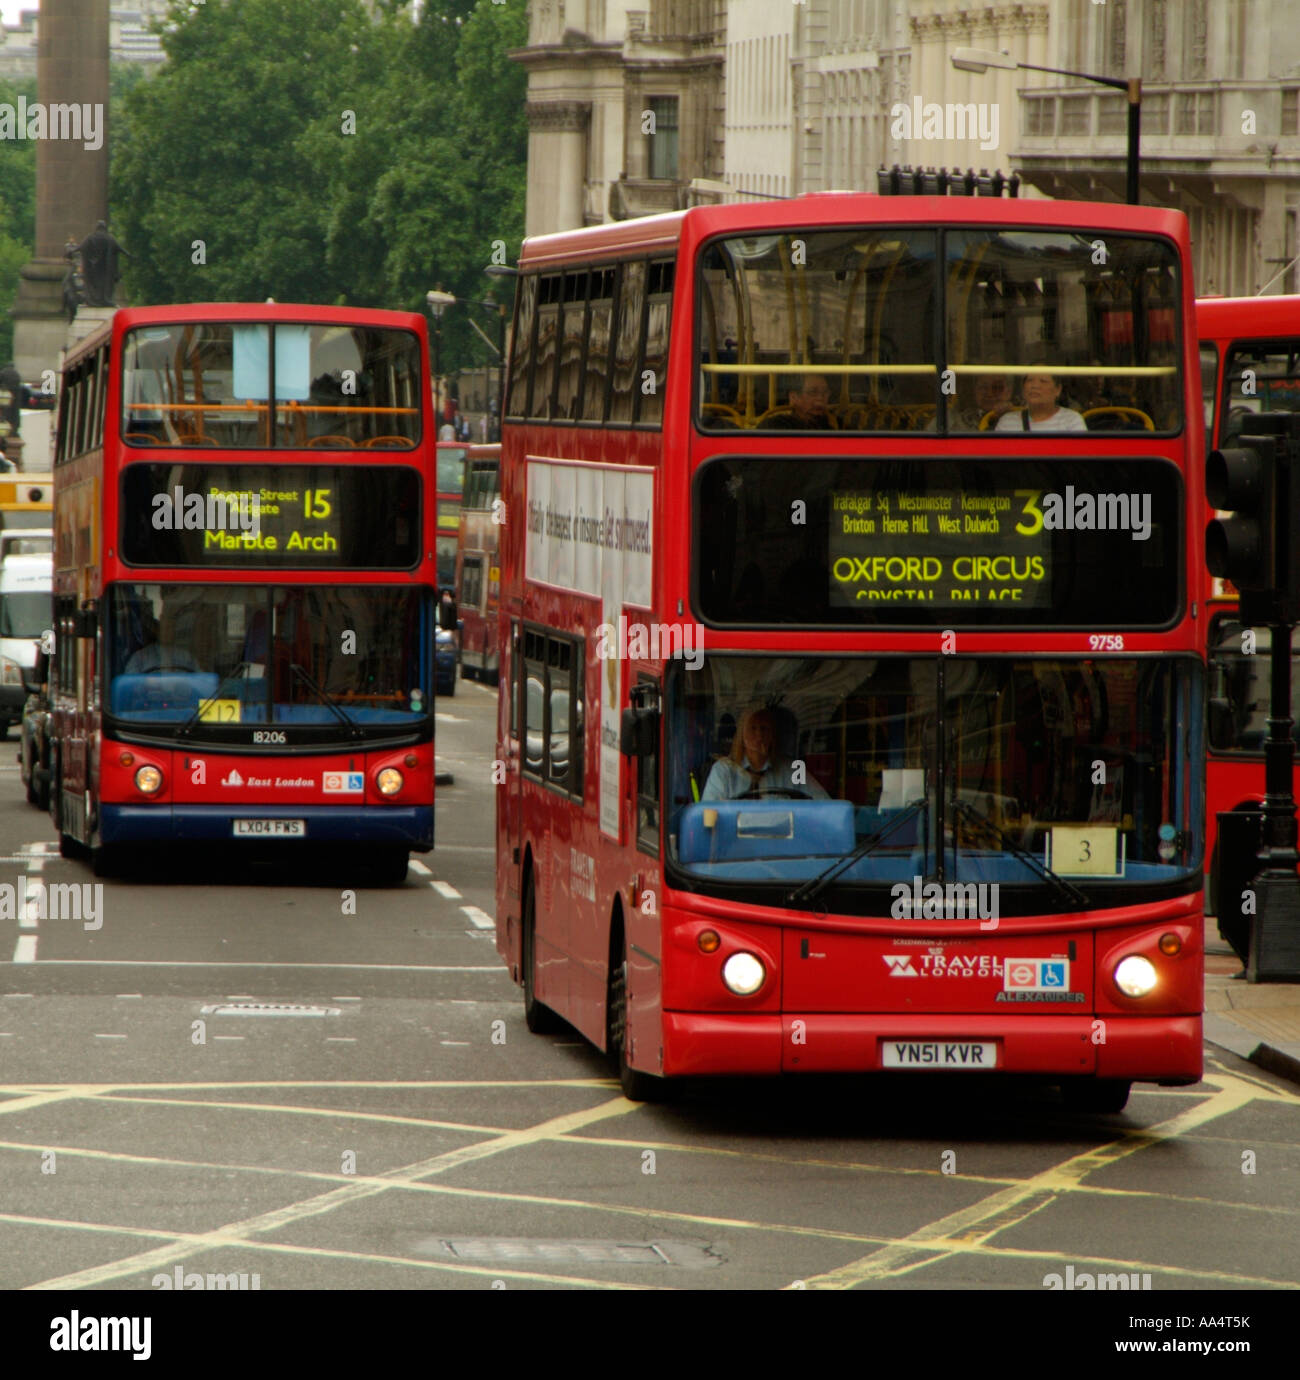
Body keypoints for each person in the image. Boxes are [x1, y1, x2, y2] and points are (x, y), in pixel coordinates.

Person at [701, 705, 829, 800]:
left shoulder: (793, 770)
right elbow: (707, 813)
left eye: (764, 729)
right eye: (753, 728)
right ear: (742, 735)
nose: (759, 735)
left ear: (772, 735)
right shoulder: (723, 771)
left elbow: (823, 803)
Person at [995, 371, 1087, 431]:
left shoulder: (1071, 420)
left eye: (1043, 381)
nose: (1035, 386)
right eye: (1030, 380)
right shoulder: (1007, 421)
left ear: (1058, 389)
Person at [759, 374, 833, 429]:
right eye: (813, 392)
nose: (820, 399)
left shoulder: (831, 426)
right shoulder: (774, 426)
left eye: (825, 392)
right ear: (793, 397)